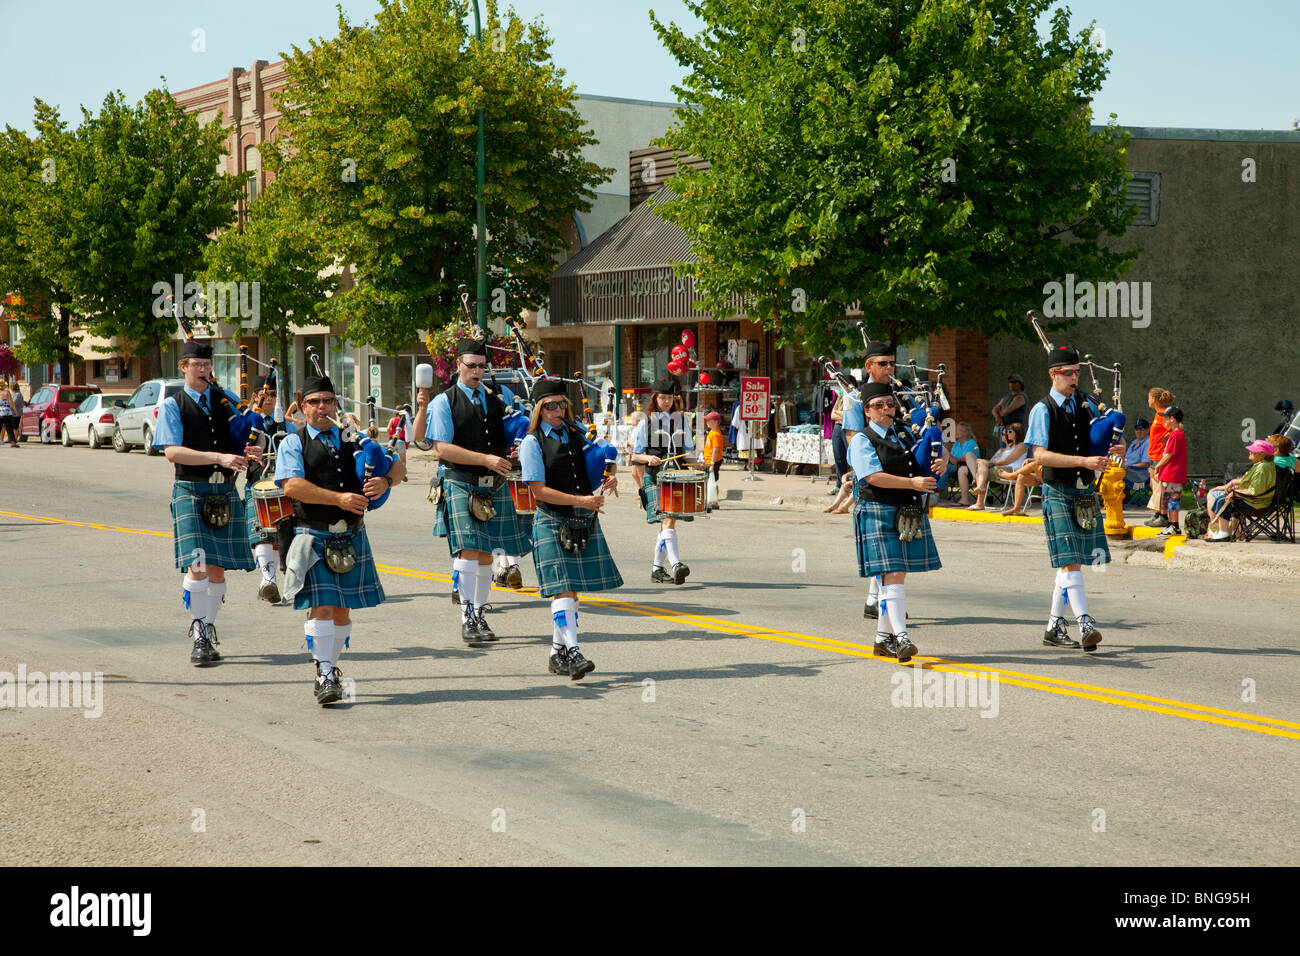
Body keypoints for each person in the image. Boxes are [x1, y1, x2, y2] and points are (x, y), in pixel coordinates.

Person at [274, 375, 406, 704]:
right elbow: (291, 486)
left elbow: (399, 466)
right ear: (302, 408)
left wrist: (386, 481)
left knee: (343, 611)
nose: (322, 407)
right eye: (314, 402)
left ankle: (331, 666)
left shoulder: (353, 438)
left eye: (328, 401)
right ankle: (324, 673)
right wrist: (339, 499)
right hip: (313, 533)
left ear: (336, 404)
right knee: (322, 606)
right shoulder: (295, 442)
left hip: (351, 533)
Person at [152, 339, 262, 665]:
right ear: (183, 367)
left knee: (217, 568)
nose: (203, 370)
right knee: (197, 565)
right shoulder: (174, 405)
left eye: (206, 365)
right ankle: (199, 635)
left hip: (224, 491)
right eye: (196, 365)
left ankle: (209, 626)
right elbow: (172, 452)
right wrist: (218, 457)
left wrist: (248, 452)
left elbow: (239, 438)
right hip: (191, 489)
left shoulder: (225, 400)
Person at [424, 338, 531, 643]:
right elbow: (442, 448)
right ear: (458, 365)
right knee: (469, 551)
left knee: (488, 553)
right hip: (460, 481)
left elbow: (522, 427)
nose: (477, 371)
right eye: (471, 365)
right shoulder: (444, 402)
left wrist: (518, 448)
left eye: (482, 366)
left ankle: (480, 615)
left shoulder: (500, 396)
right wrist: (485, 459)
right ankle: (467, 616)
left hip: (493, 484)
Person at [517, 380, 622, 679]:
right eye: (550, 405)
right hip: (552, 519)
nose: (558, 410)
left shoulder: (577, 433)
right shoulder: (532, 442)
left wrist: (610, 475)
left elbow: (608, 454)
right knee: (562, 589)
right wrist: (582, 500)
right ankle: (574, 653)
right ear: (539, 409)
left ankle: (556, 652)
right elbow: (539, 491)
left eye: (561, 403)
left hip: (582, 518)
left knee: (570, 593)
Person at [1024, 346, 1124, 651]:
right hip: (1057, 490)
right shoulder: (1042, 410)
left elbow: (1095, 441)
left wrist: (1114, 449)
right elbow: (1040, 456)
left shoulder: (1084, 406)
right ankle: (1085, 622)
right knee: (1071, 562)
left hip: (1083, 492)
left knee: (1071, 563)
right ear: (1054, 374)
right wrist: (1083, 462)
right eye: (1069, 372)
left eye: (1077, 371)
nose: (1075, 377)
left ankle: (1054, 626)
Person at [845, 382, 943, 662]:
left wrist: (942, 461)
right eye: (879, 405)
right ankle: (901, 638)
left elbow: (927, 450)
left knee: (896, 575)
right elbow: (872, 477)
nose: (887, 409)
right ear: (867, 411)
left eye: (890, 404)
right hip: (877, 508)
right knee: (894, 573)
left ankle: (881, 639)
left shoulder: (902, 432)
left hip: (906, 509)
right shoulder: (862, 440)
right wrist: (912, 482)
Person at [843, 341, 916, 617]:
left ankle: (878, 599)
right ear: (868, 366)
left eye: (891, 363)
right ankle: (881, 599)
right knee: (883, 542)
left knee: (896, 541)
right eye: (882, 363)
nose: (888, 368)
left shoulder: (899, 392)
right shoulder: (855, 397)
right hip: (871, 472)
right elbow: (852, 436)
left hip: (897, 470)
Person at [631, 377, 701, 584]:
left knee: (668, 522)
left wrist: (698, 463)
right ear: (655, 398)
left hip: (677, 476)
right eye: (663, 398)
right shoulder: (646, 421)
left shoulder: (681, 421)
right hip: (655, 475)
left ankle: (657, 569)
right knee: (667, 519)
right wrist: (648, 458)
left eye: (670, 397)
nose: (666, 401)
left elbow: (688, 451)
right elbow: (635, 455)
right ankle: (676, 563)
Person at [241, 373, 287, 602]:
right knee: (262, 533)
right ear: (255, 397)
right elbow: (236, 445)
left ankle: (274, 579)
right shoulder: (247, 422)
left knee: (278, 535)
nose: (270, 399)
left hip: (282, 484)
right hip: (258, 482)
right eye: (265, 395)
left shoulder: (283, 423)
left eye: (273, 395)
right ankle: (268, 580)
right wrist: (247, 449)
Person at [1204, 439, 1278, 541]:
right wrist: (1234, 488)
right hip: (1258, 500)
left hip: (1257, 502)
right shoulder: (1263, 465)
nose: (1250, 452)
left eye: (1253, 450)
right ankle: (1227, 531)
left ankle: (1223, 533)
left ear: (1262, 454)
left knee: (1222, 500)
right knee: (1223, 498)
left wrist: (1235, 493)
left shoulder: (1263, 467)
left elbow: (1256, 491)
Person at [967, 422, 1028, 510]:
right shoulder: (1002, 450)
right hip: (999, 469)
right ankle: (979, 490)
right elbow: (993, 461)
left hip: (1012, 470)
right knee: (981, 466)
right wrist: (986, 463)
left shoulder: (1021, 446)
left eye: (1009, 432)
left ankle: (979, 498)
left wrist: (986, 462)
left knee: (982, 465)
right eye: (1003, 433)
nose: (1005, 434)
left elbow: (1006, 461)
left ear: (1018, 433)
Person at [1142, 387, 1175, 527]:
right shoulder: (1157, 415)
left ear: (1154, 399)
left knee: (1160, 486)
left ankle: (1163, 516)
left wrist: (1164, 439)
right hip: (1153, 454)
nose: (1148, 400)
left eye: (1149, 398)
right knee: (1154, 485)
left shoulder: (1162, 414)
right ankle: (1157, 513)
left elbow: (1173, 429)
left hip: (1159, 455)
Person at [1152, 406, 1187, 536]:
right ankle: (1172, 525)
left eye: (1166, 418)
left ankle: (1174, 525)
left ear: (1172, 419)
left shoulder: (1176, 435)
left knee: (1172, 500)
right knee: (1168, 501)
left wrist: (1157, 466)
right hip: (1171, 473)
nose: (1164, 421)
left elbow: (1168, 455)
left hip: (1172, 473)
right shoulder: (1175, 434)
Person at [948, 422, 982, 505]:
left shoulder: (971, 443)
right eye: (956, 430)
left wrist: (947, 454)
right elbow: (954, 461)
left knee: (945, 468)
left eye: (958, 430)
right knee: (941, 466)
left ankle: (936, 493)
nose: (955, 432)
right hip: (957, 467)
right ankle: (935, 492)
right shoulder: (956, 444)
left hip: (971, 469)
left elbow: (960, 460)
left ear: (966, 433)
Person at [1123, 418, 1151, 501]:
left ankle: (1122, 497)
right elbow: (1126, 459)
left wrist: (1129, 466)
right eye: (1136, 429)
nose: (1138, 431)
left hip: (1140, 475)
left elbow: (1146, 464)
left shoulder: (1148, 443)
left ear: (1148, 430)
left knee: (1116, 474)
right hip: (1128, 471)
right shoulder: (1134, 442)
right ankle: (1119, 496)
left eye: (1141, 429)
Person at [704, 410, 726, 506]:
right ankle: (711, 500)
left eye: (710, 420)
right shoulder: (712, 432)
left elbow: (715, 450)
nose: (707, 423)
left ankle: (715, 501)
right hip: (709, 460)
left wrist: (712, 464)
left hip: (713, 461)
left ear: (716, 422)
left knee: (713, 480)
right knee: (710, 480)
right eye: (707, 420)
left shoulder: (716, 434)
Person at [0, 379, 19, 446]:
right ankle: (13, 442)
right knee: (9, 428)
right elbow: (11, 402)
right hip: (7, 413)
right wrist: (15, 411)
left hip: (0, 413)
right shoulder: (7, 392)